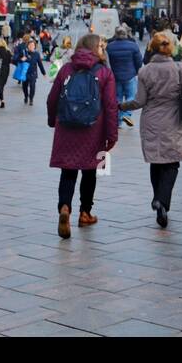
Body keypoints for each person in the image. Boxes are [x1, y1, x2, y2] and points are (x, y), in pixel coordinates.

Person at [46, 34, 119, 239]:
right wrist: (111, 135)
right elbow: (111, 106)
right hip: (93, 129)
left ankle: (65, 208)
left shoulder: (66, 69)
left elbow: (52, 99)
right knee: (89, 172)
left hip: (67, 127)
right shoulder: (105, 72)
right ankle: (85, 212)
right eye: (101, 46)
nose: (103, 49)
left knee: (68, 171)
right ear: (95, 48)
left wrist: (53, 120)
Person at [120, 31, 182, 229]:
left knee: (156, 162)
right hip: (173, 120)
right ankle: (162, 201)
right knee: (172, 163)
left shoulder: (145, 71)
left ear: (151, 47)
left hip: (151, 120)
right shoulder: (179, 67)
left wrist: (122, 106)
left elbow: (140, 101)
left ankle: (157, 198)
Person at [105, 26, 143, 128]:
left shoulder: (109, 46)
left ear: (116, 34)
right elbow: (139, 61)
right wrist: (138, 71)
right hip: (130, 75)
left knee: (118, 97)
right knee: (131, 96)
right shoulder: (133, 46)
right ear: (126, 34)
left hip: (115, 76)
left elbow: (107, 62)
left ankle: (119, 120)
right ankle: (126, 115)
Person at [18, 39, 47, 107]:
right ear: (27, 46)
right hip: (25, 73)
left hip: (33, 73)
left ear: (34, 46)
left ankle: (31, 99)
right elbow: (16, 60)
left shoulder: (36, 54)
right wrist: (21, 59)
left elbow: (40, 64)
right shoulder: (24, 53)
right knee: (24, 86)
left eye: (33, 45)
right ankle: (26, 96)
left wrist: (44, 73)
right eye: (30, 45)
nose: (31, 47)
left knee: (32, 86)